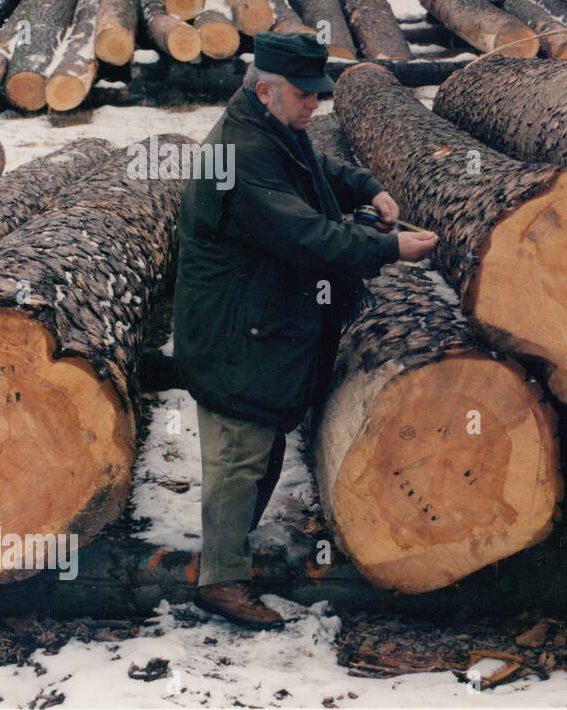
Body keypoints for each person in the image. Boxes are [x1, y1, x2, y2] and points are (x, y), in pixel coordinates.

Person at [173, 32, 436, 628]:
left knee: (258, 443)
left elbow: (317, 169)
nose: (315, 105)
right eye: (305, 95)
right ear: (265, 90)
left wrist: (367, 187)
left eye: (319, 94)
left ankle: (231, 558)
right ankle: (222, 580)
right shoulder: (241, 154)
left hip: (258, 319)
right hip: (233, 330)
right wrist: (389, 247)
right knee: (238, 450)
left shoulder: (269, 128)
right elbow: (304, 235)